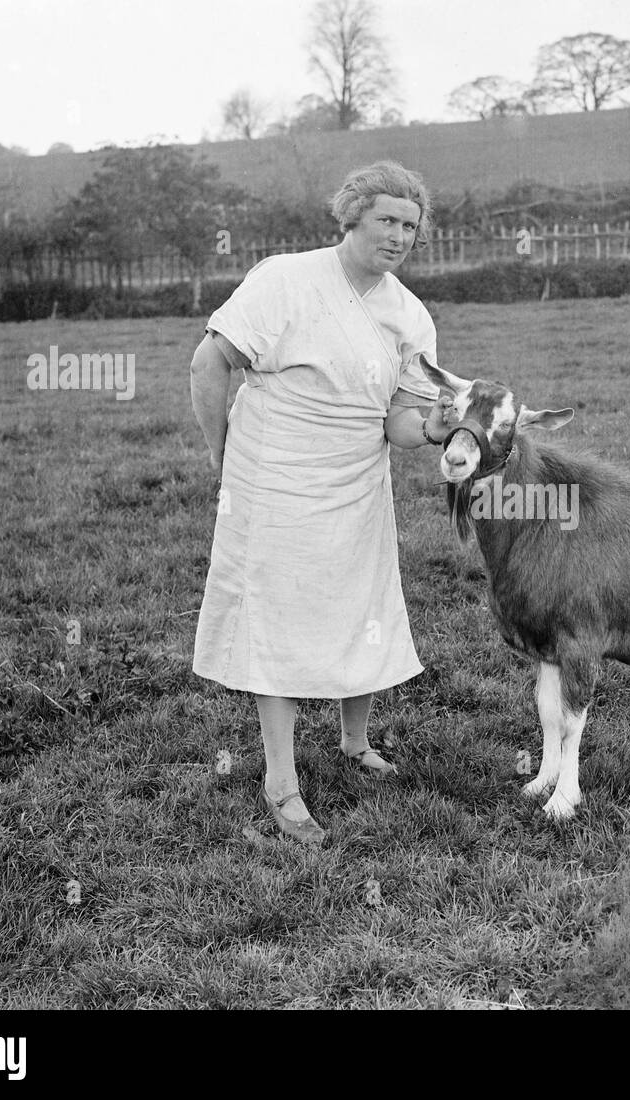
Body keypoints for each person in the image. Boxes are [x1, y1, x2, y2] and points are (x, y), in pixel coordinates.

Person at [189, 161, 454, 845]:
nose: (397, 235)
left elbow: (396, 420)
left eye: (409, 226)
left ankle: (355, 742)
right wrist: (223, 457)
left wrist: (430, 428)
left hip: (357, 479)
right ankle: (281, 782)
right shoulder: (286, 279)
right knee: (277, 618)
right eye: (386, 220)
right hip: (274, 476)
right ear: (353, 218)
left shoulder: (408, 314)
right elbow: (210, 363)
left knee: (358, 604)